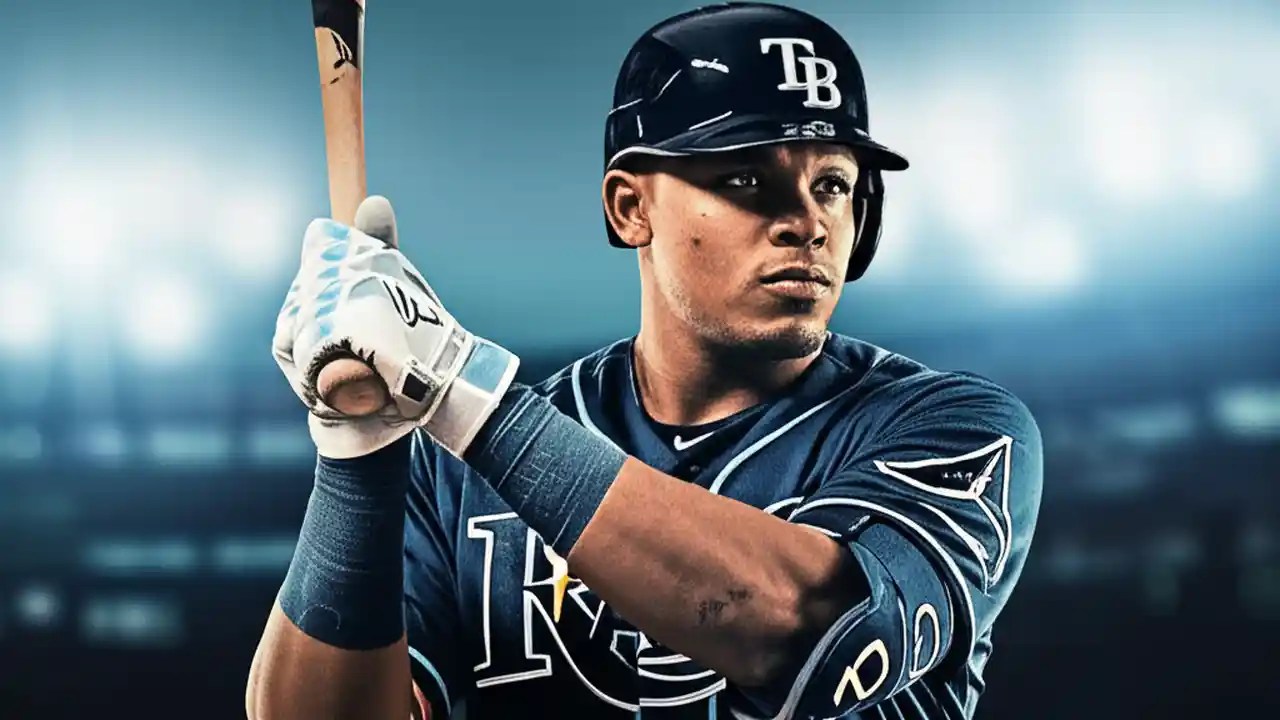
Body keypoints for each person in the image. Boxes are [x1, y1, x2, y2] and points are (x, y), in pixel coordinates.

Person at [246, 3, 1043, 719]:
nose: (807, 221)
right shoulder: (450, 469)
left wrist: (462, 392)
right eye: (745, 178)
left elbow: (811, 630)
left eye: (832, 184)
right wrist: (355, 454)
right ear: (631, 207)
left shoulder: (958, 429)